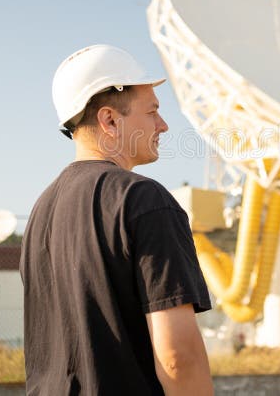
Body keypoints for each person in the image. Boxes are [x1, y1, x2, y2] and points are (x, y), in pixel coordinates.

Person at [20, 44, 214, 396]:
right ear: (110, 120)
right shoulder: (144, 201)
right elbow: (178, 358)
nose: (164, 125)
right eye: (152, 111)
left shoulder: (40, 213)